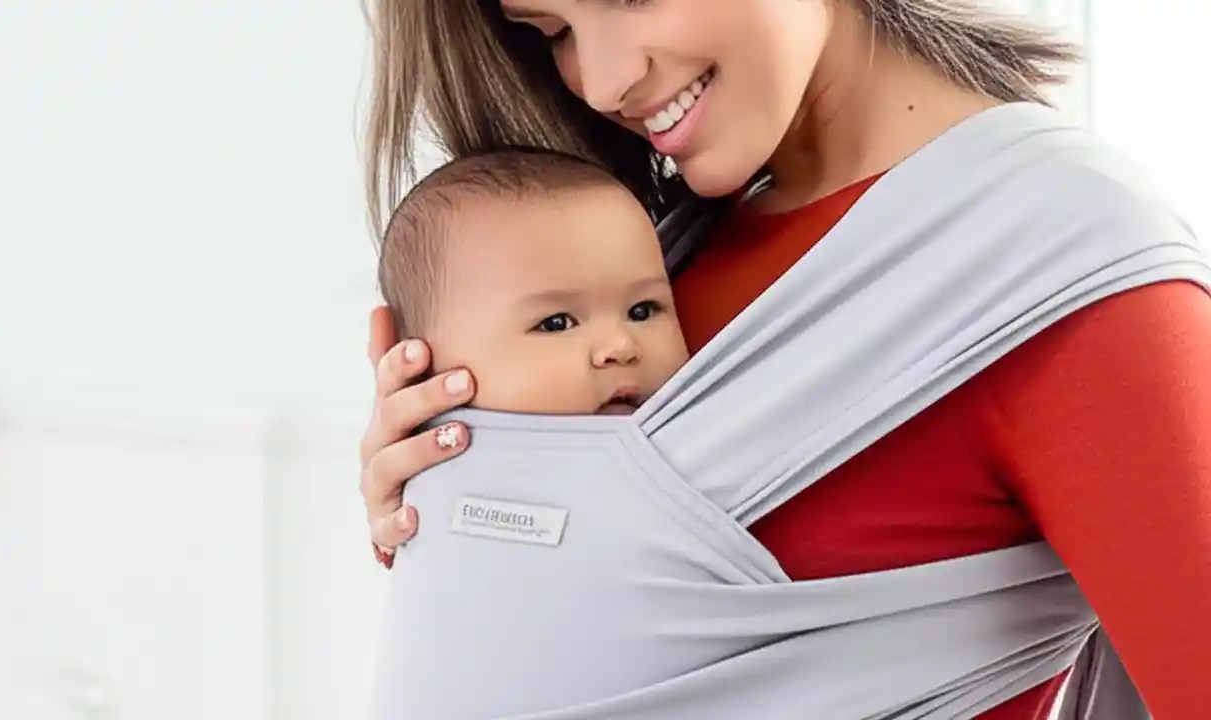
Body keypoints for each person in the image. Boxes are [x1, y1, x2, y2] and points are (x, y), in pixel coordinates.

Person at [358, 2, 1211, 717]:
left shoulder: (1066, 267)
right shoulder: (649, 251)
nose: (606, 77)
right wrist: (458, 491)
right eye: (554, 29)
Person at [377, 148, 688, 418]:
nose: (621, 347)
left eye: (642, 311)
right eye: (556, 323)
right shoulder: (466, 476)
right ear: (423, 367)